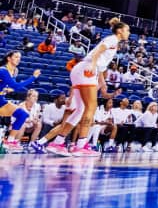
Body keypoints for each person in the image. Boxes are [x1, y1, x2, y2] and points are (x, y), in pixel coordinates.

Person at [37, 17, 126, 157]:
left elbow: (100, 61)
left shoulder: (113, 41)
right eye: (127, 30)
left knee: (80, 110)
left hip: (80, 70)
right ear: (120, 31)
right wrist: (92, 64)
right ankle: (81, 145)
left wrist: (101, 81)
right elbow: (97, 52)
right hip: (87, 68)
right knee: (90, 107)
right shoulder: (113, 39)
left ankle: (58, 143)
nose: (128, 32)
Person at [0, 50, 41, 152]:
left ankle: (10, 141)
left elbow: (10, 86)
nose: (18, 59)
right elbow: (16, 86)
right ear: (9, 58)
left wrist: (7, 89)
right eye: (16, 57)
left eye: (19, 57)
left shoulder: (15, 70)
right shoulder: (3, 70)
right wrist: (33, 77)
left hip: (1, 99)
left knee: (22, 114)